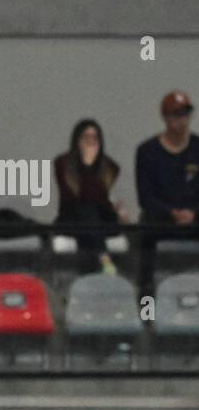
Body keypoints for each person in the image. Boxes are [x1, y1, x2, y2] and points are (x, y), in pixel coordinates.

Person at [136, 90, 199, 295]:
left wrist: (193, 213)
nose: (182, 121)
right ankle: (146, 294)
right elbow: (146, 198)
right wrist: (172, 213)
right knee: (146, 228)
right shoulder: (147, 151)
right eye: (176, 115)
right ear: (165, 117)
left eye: (186, 114)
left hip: (194, 218)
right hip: (162, 219)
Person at [53, 118, 124, 275]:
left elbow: (99, 199)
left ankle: (88, 275)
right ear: (77, 140)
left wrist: (115, 209)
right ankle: (104, 260)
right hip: (71, 218)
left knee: (91, 217)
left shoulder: (110, 166)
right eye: (86, 137)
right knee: (86, 213)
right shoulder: (62, 164)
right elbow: (73, 199)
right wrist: (87, 166)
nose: (91, 142)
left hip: (101, 219)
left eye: (95, 137)